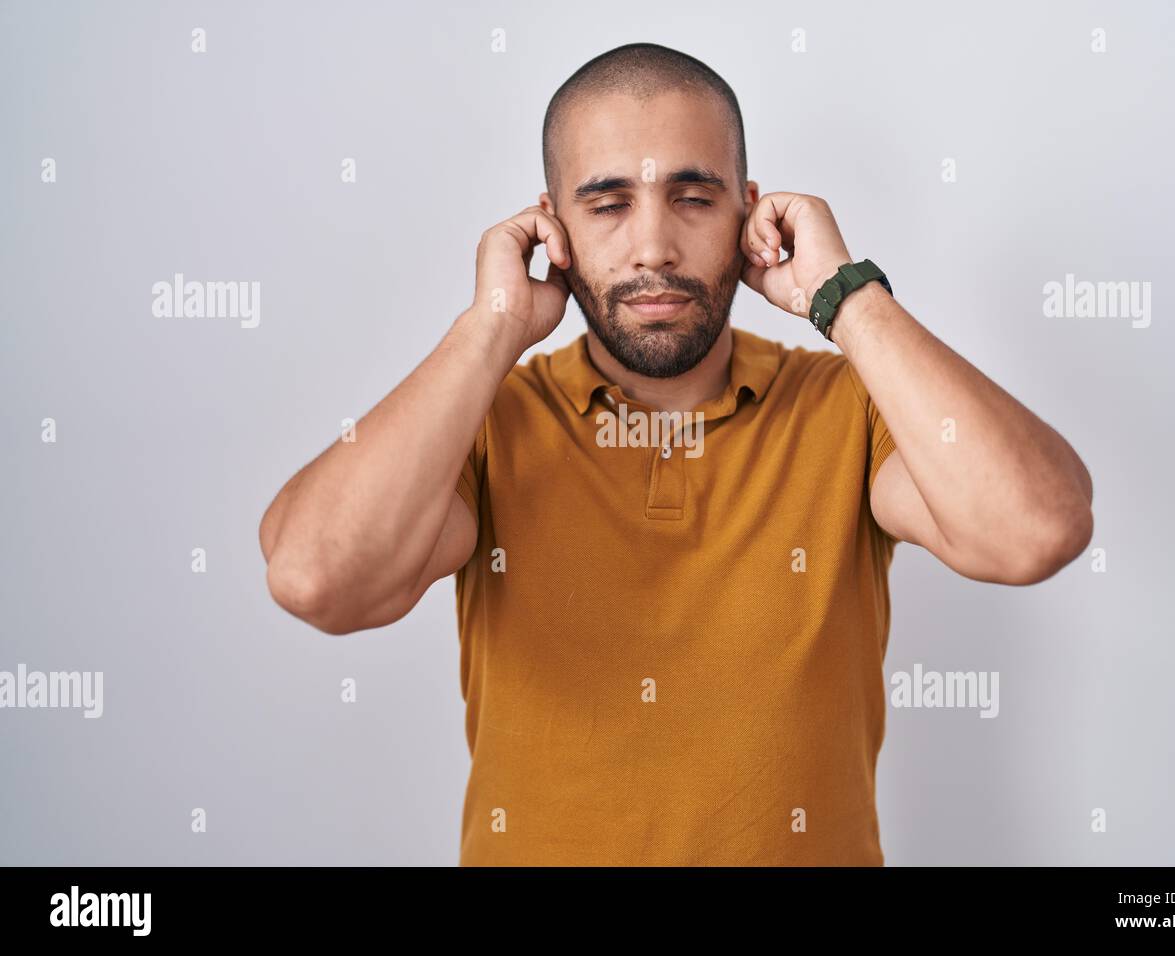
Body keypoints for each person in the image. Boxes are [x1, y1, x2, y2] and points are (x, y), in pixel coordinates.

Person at [258, 42, 1094, 866]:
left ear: (750, 213)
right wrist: (491, 329)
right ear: (552, 225)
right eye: (607, 204)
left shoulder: (851, 406)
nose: (653, 247)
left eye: (693, 198)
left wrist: (843, 297)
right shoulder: (481, 423)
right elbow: (316, 578)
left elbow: (1037, 532)